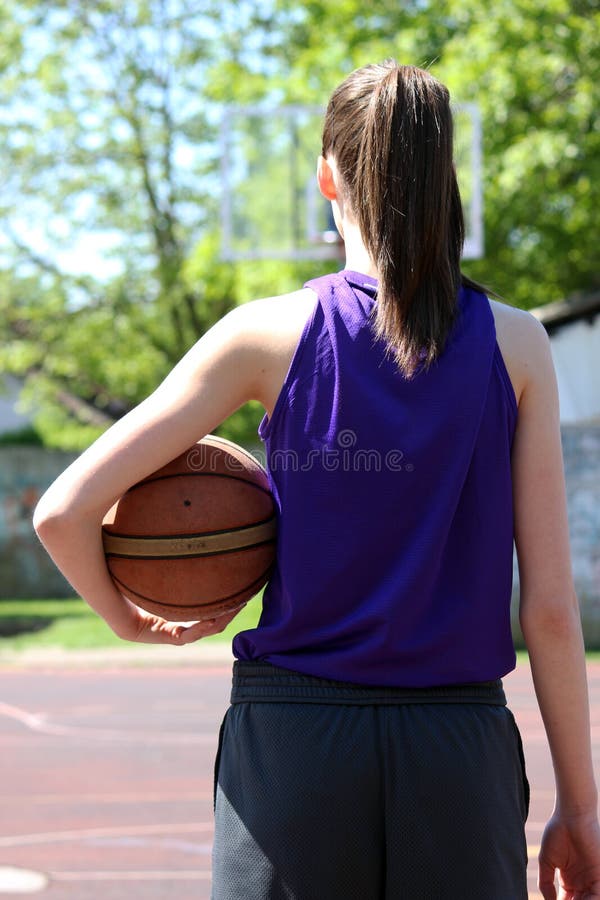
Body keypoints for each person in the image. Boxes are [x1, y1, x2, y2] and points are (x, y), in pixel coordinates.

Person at [33, 60, 600, 899]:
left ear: (327, 179)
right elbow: (550, 611)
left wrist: (127, 620)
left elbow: (63, 510)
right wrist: (582, 812)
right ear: (445, 183)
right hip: (458, 746)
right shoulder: (518, 347)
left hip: (294, 745)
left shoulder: (264, 335)